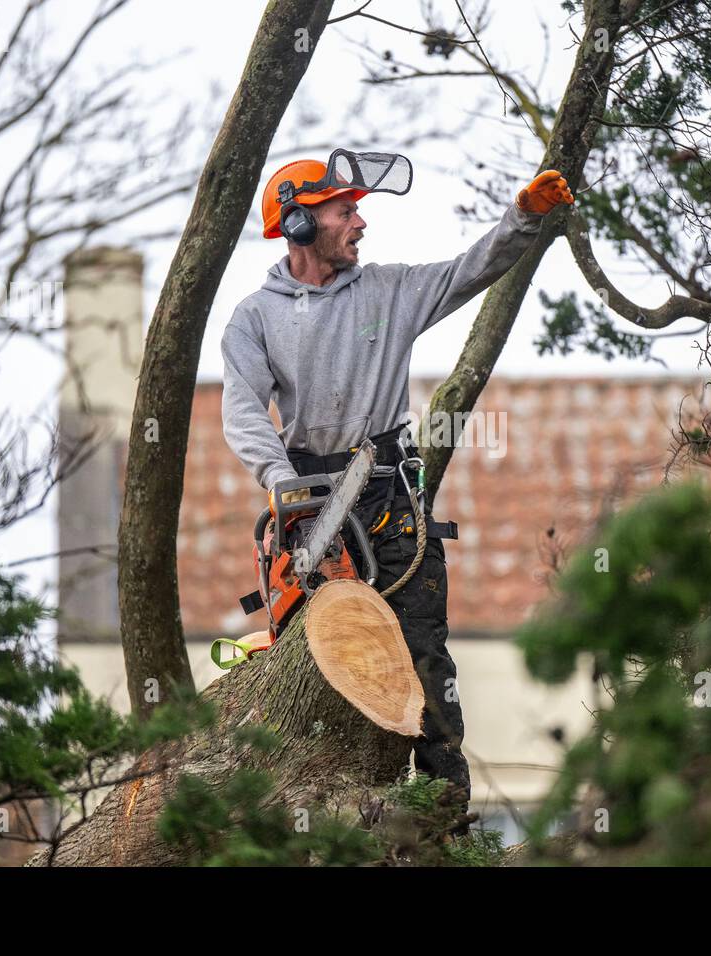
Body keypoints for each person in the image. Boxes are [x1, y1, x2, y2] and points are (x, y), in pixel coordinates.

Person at [221, 150, 574, 820]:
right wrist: (281, 484)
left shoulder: (388, 290)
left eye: (358, 209)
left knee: (425, 660)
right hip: (308, 497)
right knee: (318, 668)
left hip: (387, 500)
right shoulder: (255, 319)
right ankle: (324, 818)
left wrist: (522, 219)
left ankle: (443, 812)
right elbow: (242, 410)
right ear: (299, 225)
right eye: (344, 210)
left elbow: (470, 271)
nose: (359, 222)